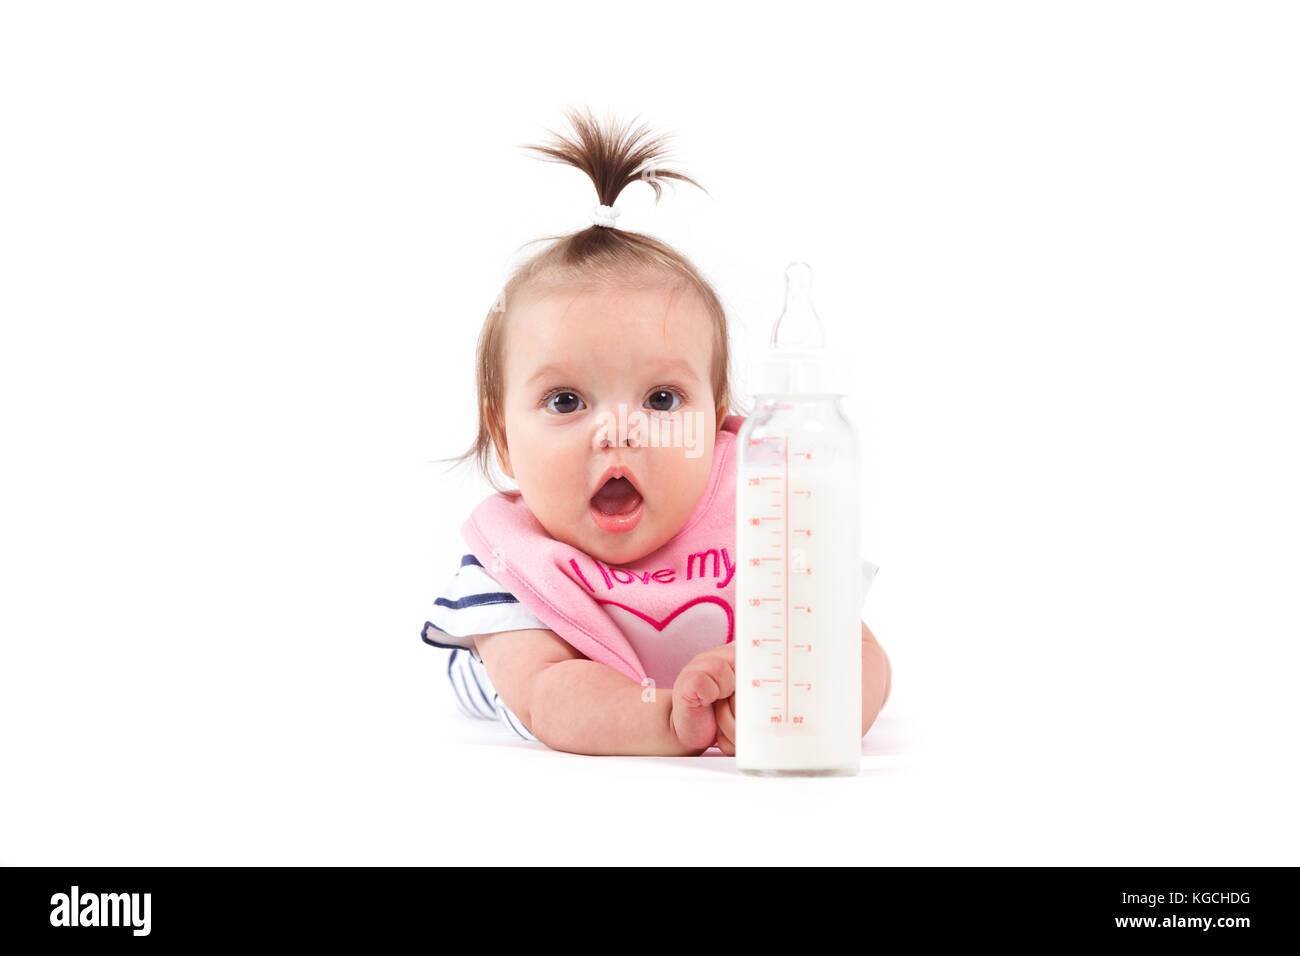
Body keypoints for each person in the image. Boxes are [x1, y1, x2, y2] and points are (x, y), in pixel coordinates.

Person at [422, 107, 891, 756]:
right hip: (558, 687)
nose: (618, 432)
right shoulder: (511, 567)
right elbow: (547, 694)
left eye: (662, 398)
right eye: (565, 401)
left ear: (721, 419)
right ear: (503, 437)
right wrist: (671, 717)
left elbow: (857, 653)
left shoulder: (759, 515)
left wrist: (798, 704)